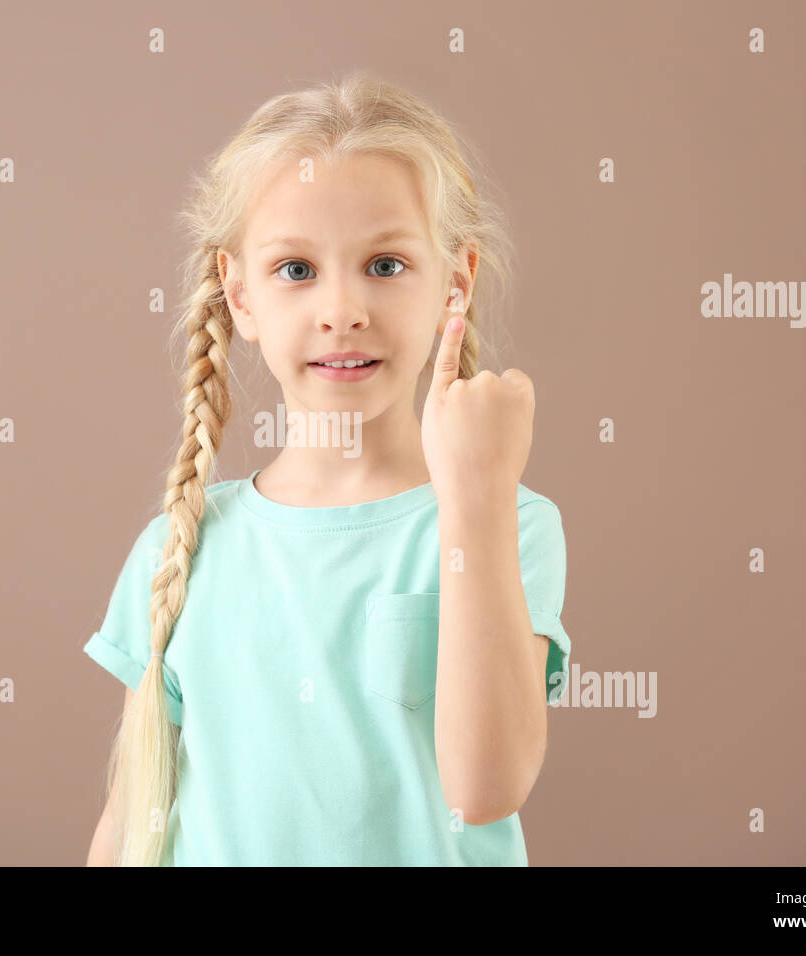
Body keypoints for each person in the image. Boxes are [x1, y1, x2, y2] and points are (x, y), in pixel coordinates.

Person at [84, 71, 571, 866]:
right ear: (239, 298)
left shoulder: (507, 523)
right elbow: (131, 815)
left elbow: (485, 787)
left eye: (385, 265)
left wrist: (476, 496)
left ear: (456, 282)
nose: (341, 309)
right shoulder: (182, 546)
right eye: (297, 270)